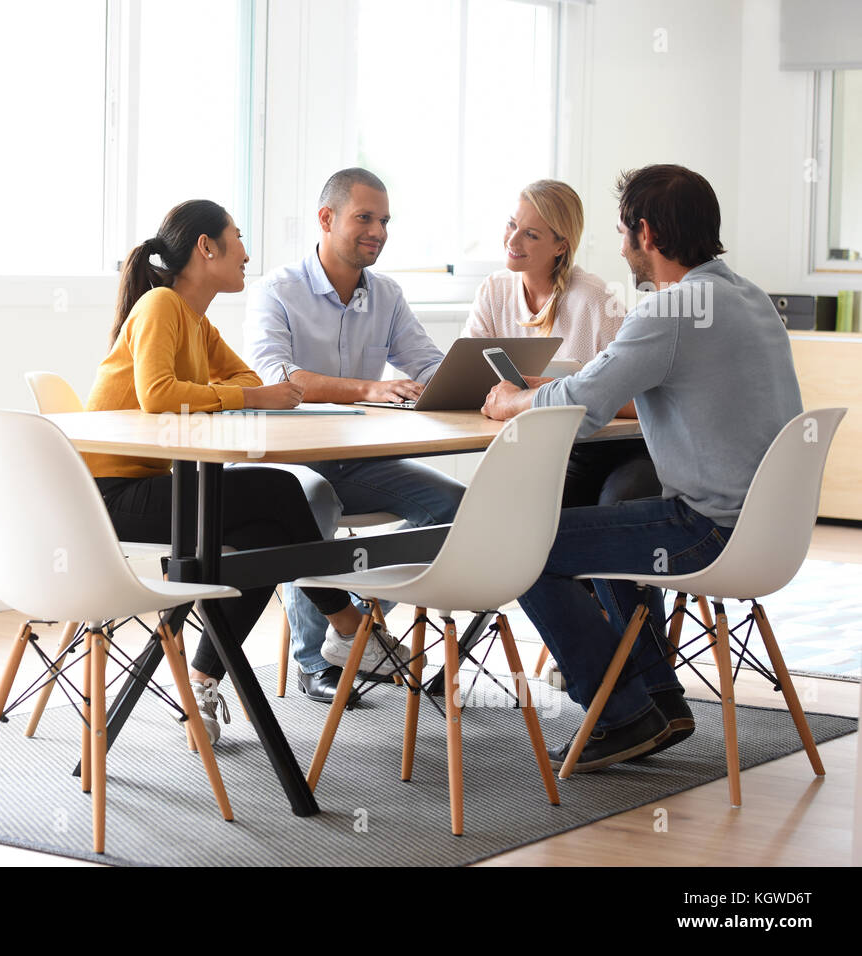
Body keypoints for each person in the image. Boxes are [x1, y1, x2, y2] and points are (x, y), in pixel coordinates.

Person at [481, 164, 803, 772]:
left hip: (708, 530)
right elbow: (601, 387)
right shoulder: (749, 297)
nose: (622, 244)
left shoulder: (670, 311)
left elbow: (578, 410)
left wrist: (513, 400)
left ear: (646, 234)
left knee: (516, 545)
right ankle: (658, 700)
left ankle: (622, 713)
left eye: (624, 231)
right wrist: (560, 387)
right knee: (613, 522)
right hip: (770, 532)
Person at [85, 199, 378, 744]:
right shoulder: (160, 308)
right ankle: (345, 621)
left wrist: (253, 392)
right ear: (206, 247)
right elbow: (159, 397)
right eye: (238, 237)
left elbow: (246, 377)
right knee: (274, 488)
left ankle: (202, 680)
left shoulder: (196, 322)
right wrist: (252, 394)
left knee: (266, 535)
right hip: (107, 496)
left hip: (152, 486)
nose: (246, 253)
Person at [243, 168, 466, 704]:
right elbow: (276, 375)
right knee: (308, 505)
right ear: (327, 218)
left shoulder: (386, 295)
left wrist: (466, 382)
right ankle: (314, 659)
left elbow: (429, 364)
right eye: (365, 218)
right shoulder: (278, 290)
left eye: (384, 220)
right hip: (285, 463)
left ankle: (358, 627)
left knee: (456, 508)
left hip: (360, 460)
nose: (379, 231)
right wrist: (370, 386)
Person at [463, 178, 660, 508]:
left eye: (531, 234)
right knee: (488, 508)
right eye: (512, 224)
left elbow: (640, 396)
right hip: (535, 446)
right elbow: (467, 378)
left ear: (560, 246)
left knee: (542, 510)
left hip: (605, 449)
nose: (513, 239)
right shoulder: (493, 290)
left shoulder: (595, 298)